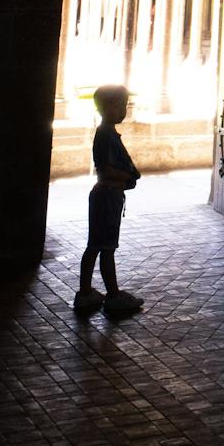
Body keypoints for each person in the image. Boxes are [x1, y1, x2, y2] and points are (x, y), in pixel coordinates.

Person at [74, 84, 144, 319]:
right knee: (106, 248)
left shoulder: (107, 133)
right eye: (121, 105)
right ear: (108, 107)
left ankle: (86, 292)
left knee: (96, 245)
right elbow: (106, 169)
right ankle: (113, 295)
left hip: (106, 195)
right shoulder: (106, 135)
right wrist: (129, 176)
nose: (124, 110)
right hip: (108, 196)